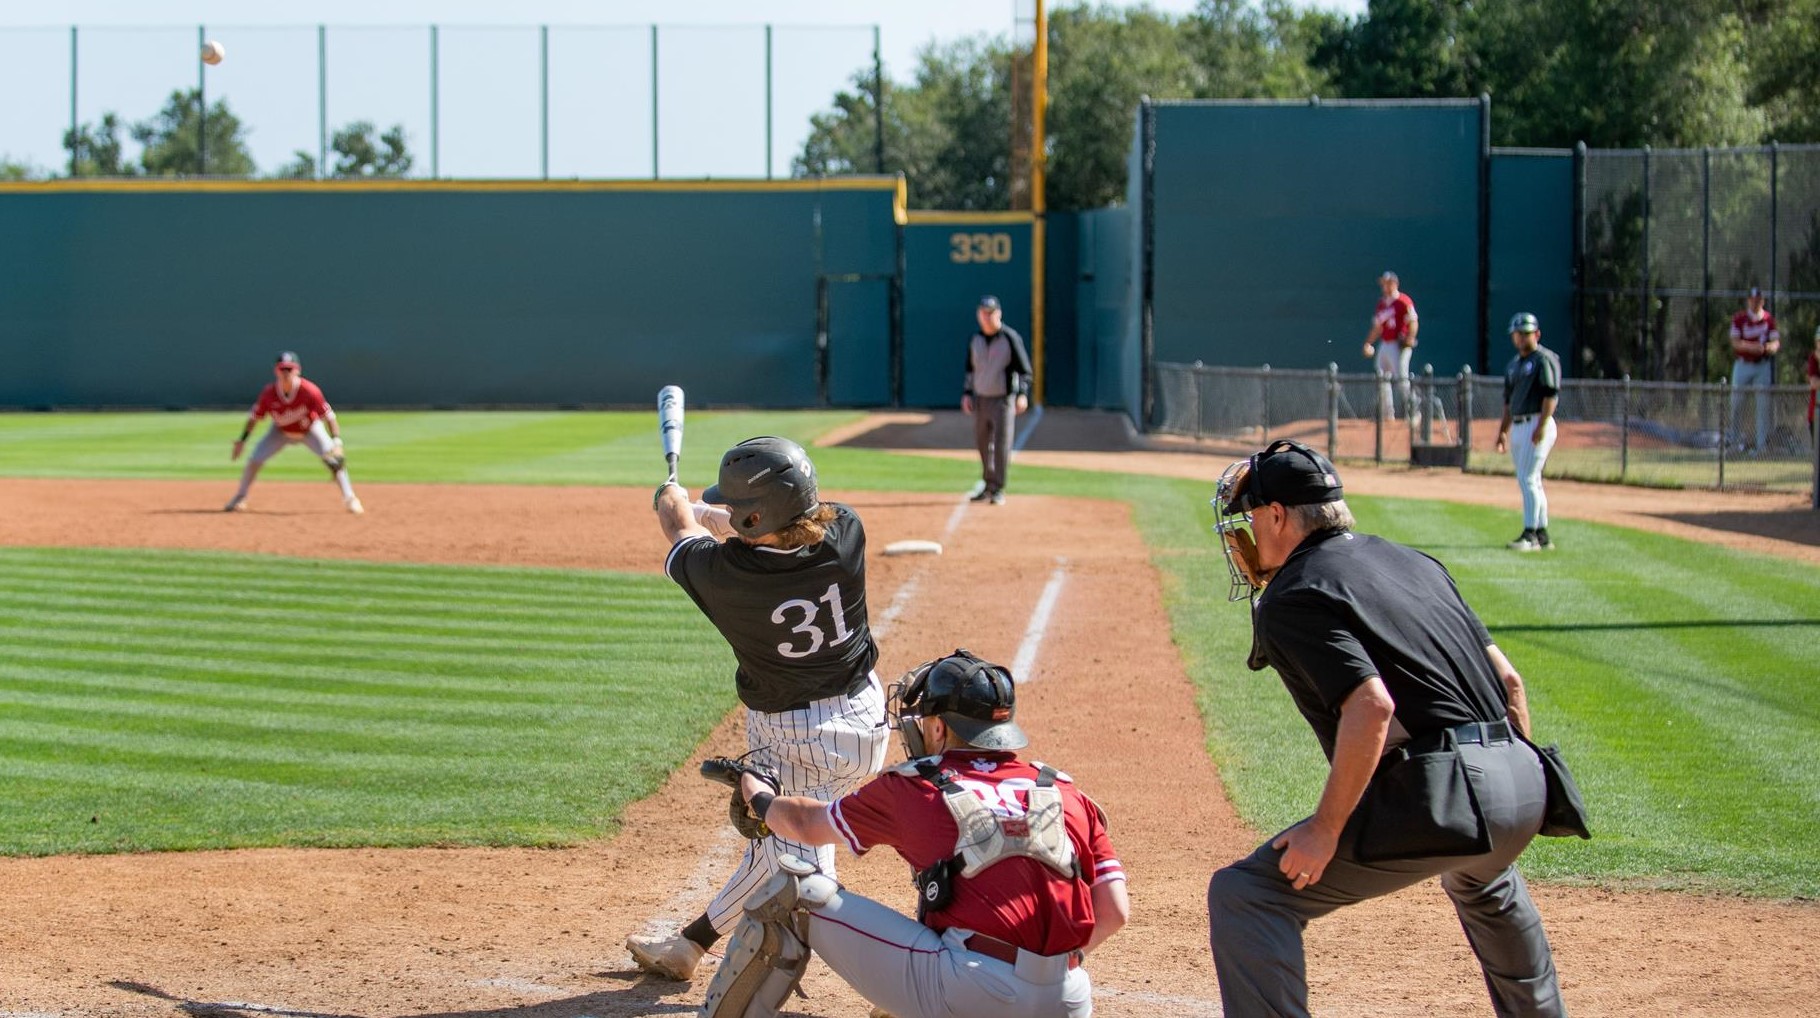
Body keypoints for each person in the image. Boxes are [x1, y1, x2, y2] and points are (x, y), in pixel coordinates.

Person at [1205, 439, 1567, 1018]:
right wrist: (1503, 798)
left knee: (1248, 895)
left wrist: (1324, 830)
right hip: (1528, 777)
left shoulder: (1295, 594)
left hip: (1448, 794)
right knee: (1483, 877)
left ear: (1278, 516)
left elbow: (1371, 707)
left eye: (1251, 516)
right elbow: (1511, 684)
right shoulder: (1416, 562)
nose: (1245, 532)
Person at [703, 649, 1128, 1018]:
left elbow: (803, 824)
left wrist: (758, 795)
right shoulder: (1066, 792)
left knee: (794, 896)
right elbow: (1112, 912)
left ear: (940, 729)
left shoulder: (917, 786)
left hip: (968, 993)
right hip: (1069, 999)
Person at [628, 436, 889, 982]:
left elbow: (678, 526)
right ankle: (690, 945)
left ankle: (900, 976)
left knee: (805, 882)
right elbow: (776, 526)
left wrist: (671, 496)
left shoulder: (726, 578)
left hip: (798, 738)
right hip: (867, 721)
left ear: (753, 518)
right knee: (775, 850)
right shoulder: (847, 533)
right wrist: (718, 514)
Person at [225, 351, 363, 514]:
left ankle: (350, 498)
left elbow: (329, 417)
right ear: (276, 371)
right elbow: (254, 418)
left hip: (310, 430)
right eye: (282, 369)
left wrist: (337, 442)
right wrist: (242, 440)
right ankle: (240, 497)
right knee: (254, 459)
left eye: (289, 369)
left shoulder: (310, 390)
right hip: (280, 431)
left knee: (334, 459)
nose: (286, 373)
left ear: (297, 370)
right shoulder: (269, 393)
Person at [1495, 313, 1561, 552]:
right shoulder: (1514, 365)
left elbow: (1550, 395)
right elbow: (1508, 402)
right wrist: (1503, 431)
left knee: (1529, 479)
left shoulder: (1544, 359)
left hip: (1536, 422)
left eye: (1525, 333)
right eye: (1518, 334)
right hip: (1519, 425)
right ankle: (1542, 534)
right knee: (1531, 480)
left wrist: (1541, 425)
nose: (1521, 338)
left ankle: (1530, 535)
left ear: (1537, 334)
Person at [961, 295, 1033, 505]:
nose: (987, 317)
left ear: (999, 314)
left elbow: (1024, 371)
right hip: (981, 399)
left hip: (1003, 400)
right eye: (983, 313)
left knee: (1001, 445)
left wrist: (1022, 394)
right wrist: (967, 393)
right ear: (978, 315)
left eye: (991, 313)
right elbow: (970, 369)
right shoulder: (975, 339)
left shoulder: (1010, 338)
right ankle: (987, 484)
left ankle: (998, 488)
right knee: (983, 443)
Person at [1361, 271, 1419, 424]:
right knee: (1381, 376)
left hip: (1399, 345)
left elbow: (1413, 321)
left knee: (1402, 378)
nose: (1383, 286)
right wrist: (1368, 342)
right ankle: (1387, 414)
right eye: (1383, 283)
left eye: (1386, 283)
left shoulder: (1403, 301)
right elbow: (1378, 327)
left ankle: (1413, 412)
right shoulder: (1382, 304)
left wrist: (1410, 337)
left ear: (1394, 283)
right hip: (1385, 344)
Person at [1729, 286, 1781, 454]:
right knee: (1737, 404)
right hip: (1743, 365)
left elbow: (1775, 343)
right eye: (1752, 299)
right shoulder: (1740, 319)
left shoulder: (1768, 319)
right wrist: (1753, 348)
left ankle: (1762, 447)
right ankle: (1735, 444)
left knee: (1763, 406)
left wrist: (1767, 348)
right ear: (1748, 301)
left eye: (1758, 300)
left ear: (1762, 301)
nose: (1755, 302)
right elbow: (1735, 342)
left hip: (1762, 366)